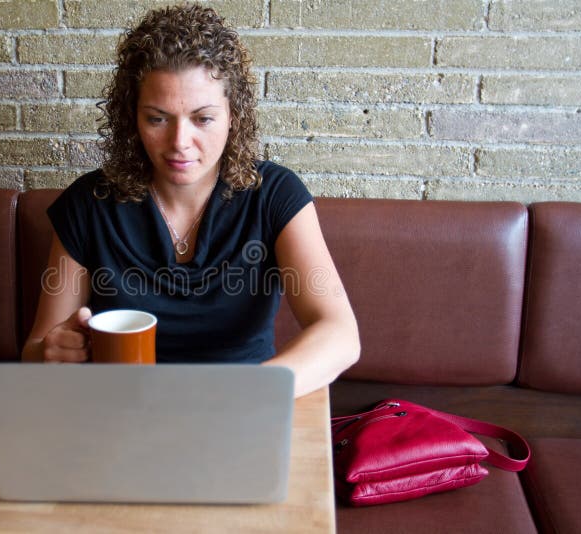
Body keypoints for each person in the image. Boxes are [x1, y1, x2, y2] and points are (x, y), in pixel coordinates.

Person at [22, 4, 360, 397]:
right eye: (157, 118)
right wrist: (53, 350)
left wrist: (253, 393)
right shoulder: (89, 204)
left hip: (242, 411)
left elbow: (340, 335)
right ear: (133, 118)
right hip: (122, 414)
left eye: (203, 119)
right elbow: (34, 351)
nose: (180, 142)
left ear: (233, 115)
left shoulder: (274, 195)